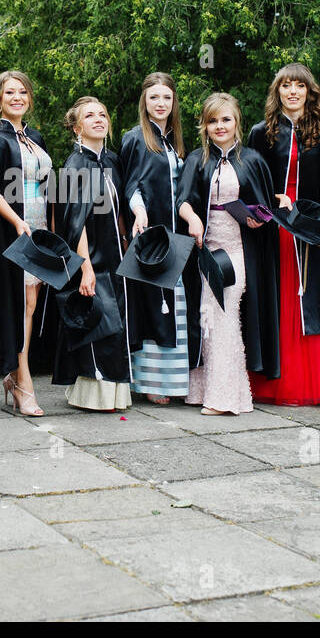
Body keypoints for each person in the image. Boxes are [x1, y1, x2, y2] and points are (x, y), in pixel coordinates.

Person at [177, 92, 278, 415]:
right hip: (205, 250)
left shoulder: (252, 159)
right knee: (206, 316)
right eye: (212, 121)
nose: (219, 126)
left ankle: (226, 397)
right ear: (204, 126)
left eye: (226, 119)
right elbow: (183, 199)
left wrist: (259, 217)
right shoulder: (197, 159)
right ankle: (204, 389)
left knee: (224, 314)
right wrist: (192, 217)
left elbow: (266, 208)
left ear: (237, 122)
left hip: (238, 251)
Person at [248, 64, 320, 406]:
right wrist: (273, 206)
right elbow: (252, 179)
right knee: (278, 298)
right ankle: (272, 383)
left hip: (310, 228)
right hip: (275, 227)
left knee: (308, 299)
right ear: (278, 92)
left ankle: (307, 383)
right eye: (286, 85)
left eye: (299, 85)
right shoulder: (262, 132)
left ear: (309, 91)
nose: (292, 92)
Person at [52, 96, 132, 410]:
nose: (98, 119)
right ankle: (93, 396)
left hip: (116, 256)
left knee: (116, 325)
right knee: (99, 325)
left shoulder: (111, 160)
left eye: (102, 114)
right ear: (77, 127)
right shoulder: (75, 164)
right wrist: (84, 267)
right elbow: (75, 222)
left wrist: (127, 242)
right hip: (92, 257)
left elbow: (119, 209)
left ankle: (115, 393)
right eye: (89, 116)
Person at [121, 73, 192, 405]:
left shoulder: (175, 140)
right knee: (154, 307)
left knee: (176, 307)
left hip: (178, 235)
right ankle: (150, 382)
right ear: (144, 102)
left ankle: (174, 382)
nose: (160, 103)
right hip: (153, 235)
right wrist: (139, 212)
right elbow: (130, 185)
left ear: (173, 101)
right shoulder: (135, 138)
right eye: (154, 98)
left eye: (166, 97)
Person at [0, 70, 52, 416]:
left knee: (31, 304)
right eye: (9, 92)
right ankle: (23, 380)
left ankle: (15, 373)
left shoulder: (34, 136)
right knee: (22, 301)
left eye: (22, 92)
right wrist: (16, 221)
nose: (17, 97)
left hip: (39, 224)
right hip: (15, 226)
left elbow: (47, 184)